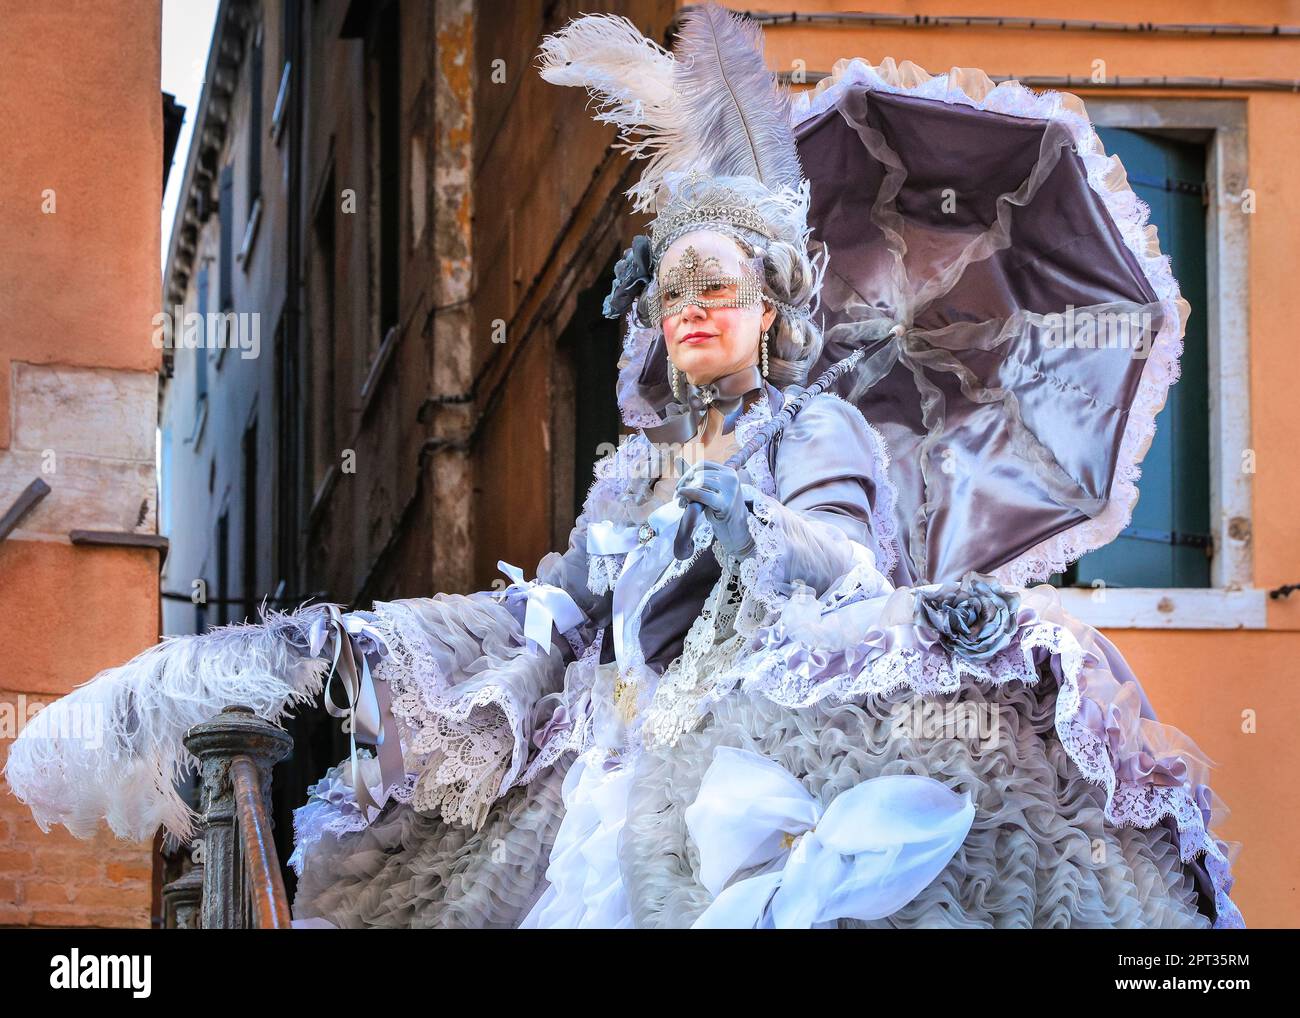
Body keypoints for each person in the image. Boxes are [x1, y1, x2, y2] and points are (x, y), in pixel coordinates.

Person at [5, 3, 1241, 929]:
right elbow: (562, 609)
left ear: (772, 312)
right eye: (670, 292)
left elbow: (849, 569)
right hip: (598, 761)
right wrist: (385, 641)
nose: (689, 311)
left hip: (747, 736)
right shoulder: (626, 470)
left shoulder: (816, 432)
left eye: (717, 289)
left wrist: (754, 524)